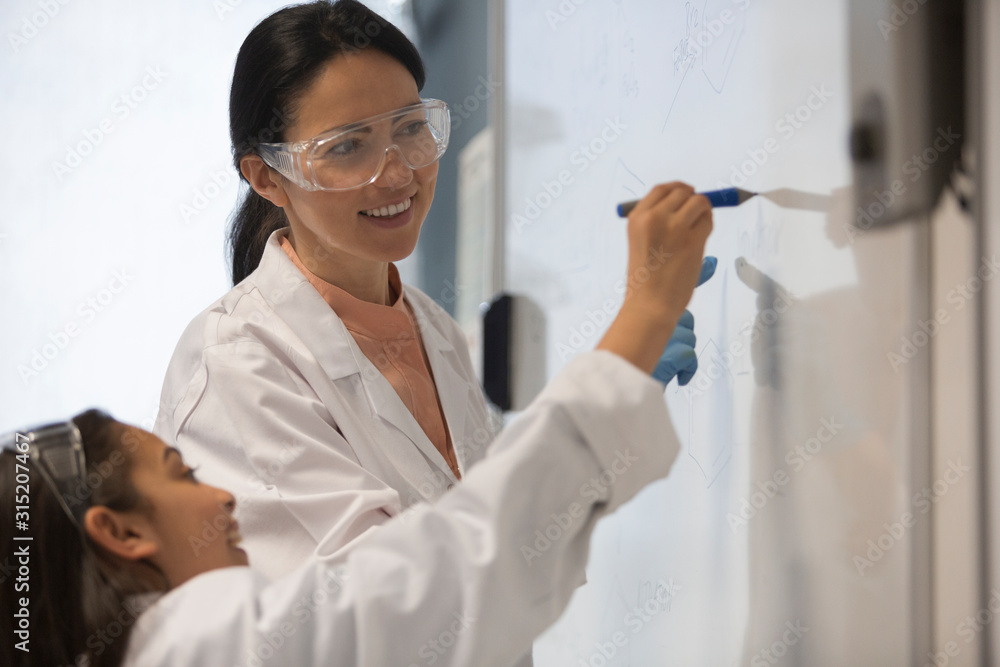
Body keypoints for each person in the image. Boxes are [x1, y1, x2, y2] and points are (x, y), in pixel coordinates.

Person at [1, 176, 713, 665]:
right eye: (180, 473)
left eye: (412, 126)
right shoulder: (204, 641)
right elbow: (440, 579)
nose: (222, 495)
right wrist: (639, 321)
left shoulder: (428, 324)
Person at [153, 0, 713, 594]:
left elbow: (507, 546)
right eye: (348, 147)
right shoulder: (237, 361)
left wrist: (623, 382)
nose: (397, 174)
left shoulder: (433, 329)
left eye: (411, 128)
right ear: (268, 177)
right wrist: (626, 349)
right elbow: (392, 612)